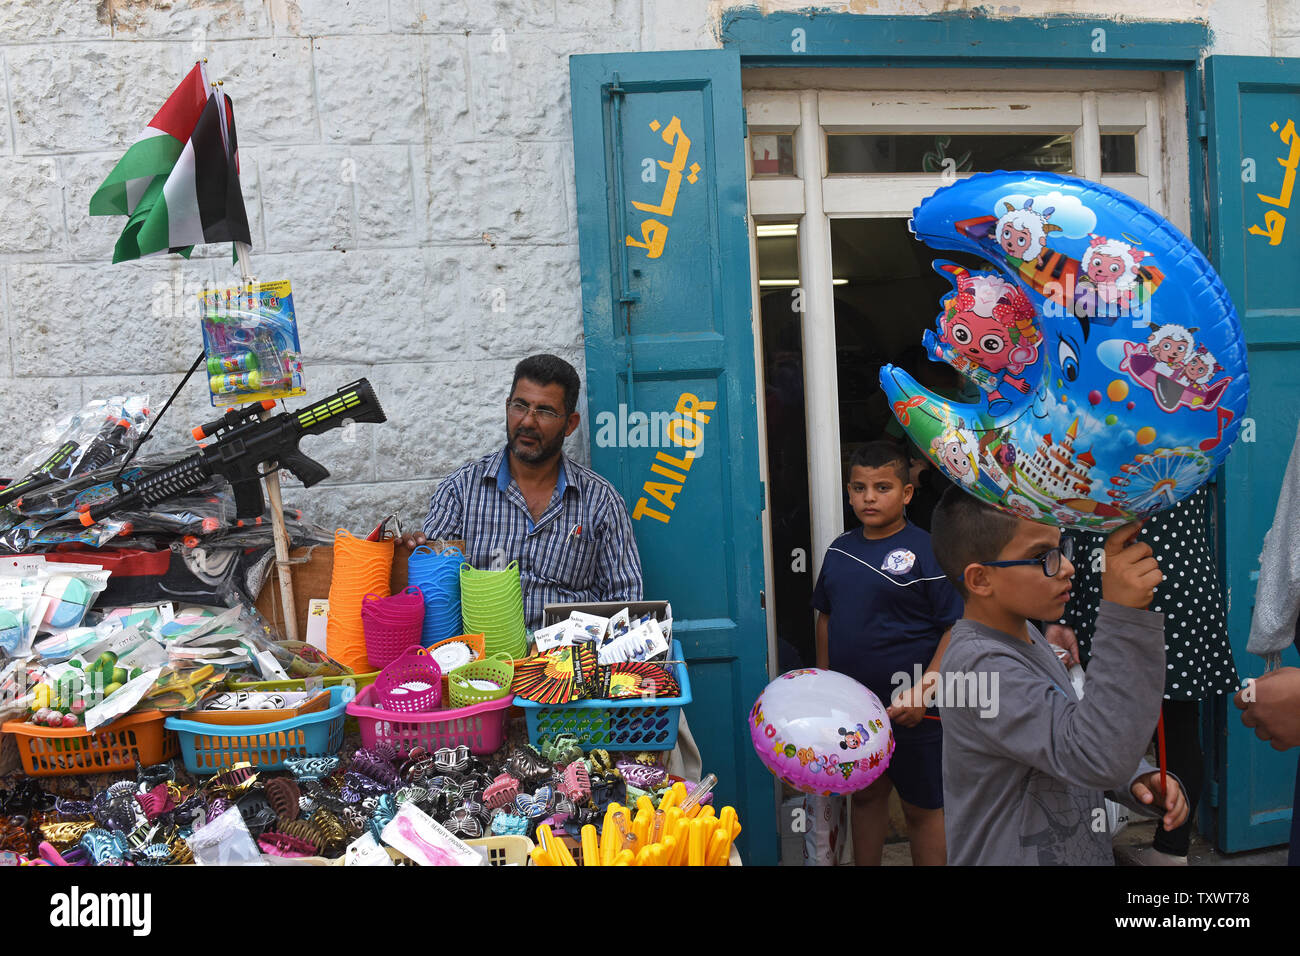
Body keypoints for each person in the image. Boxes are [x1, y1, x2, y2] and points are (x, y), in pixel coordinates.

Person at [929, 488, 1188, 865]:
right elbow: (1090, 752)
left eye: (1061, 548)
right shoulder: (978, 666)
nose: (1066, 567)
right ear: (981, 579)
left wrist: (1134, 777)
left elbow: (1064, 735)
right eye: (1041, 558)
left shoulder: (1028, 634)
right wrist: (1124, 618)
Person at [1047, 487, 1238, 865]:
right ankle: (1113, 843)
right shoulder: (1101, 444)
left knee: (1175, 726)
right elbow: (1078, 528)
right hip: (1109, 587)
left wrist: (1065, 613)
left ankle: (1171, 849)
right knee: (1101, 715)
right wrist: (1064, 613)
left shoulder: (1180, 445)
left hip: (1163, 587)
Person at [403, 354, 642, 630]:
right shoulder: (460, 491)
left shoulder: (600, 501)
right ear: (507, 407)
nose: (528, 421)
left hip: (568, 663)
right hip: (482, 663)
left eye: (545, 411)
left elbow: (626, 604)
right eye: (520, 406)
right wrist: (408, 556)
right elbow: (435, 597)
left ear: (570, 424)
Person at [812, 441, 962, 866]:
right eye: (859, 488)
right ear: (848, 492)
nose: (869, 498)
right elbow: (825, 617)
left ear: (907, 493)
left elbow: (956, 626)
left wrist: (925, 690)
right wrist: (825, 685)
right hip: (855, 710)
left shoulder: (929, 551)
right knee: (866, 796)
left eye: (882, 487)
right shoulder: (840, 551)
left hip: (917, 707)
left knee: (922, 806)